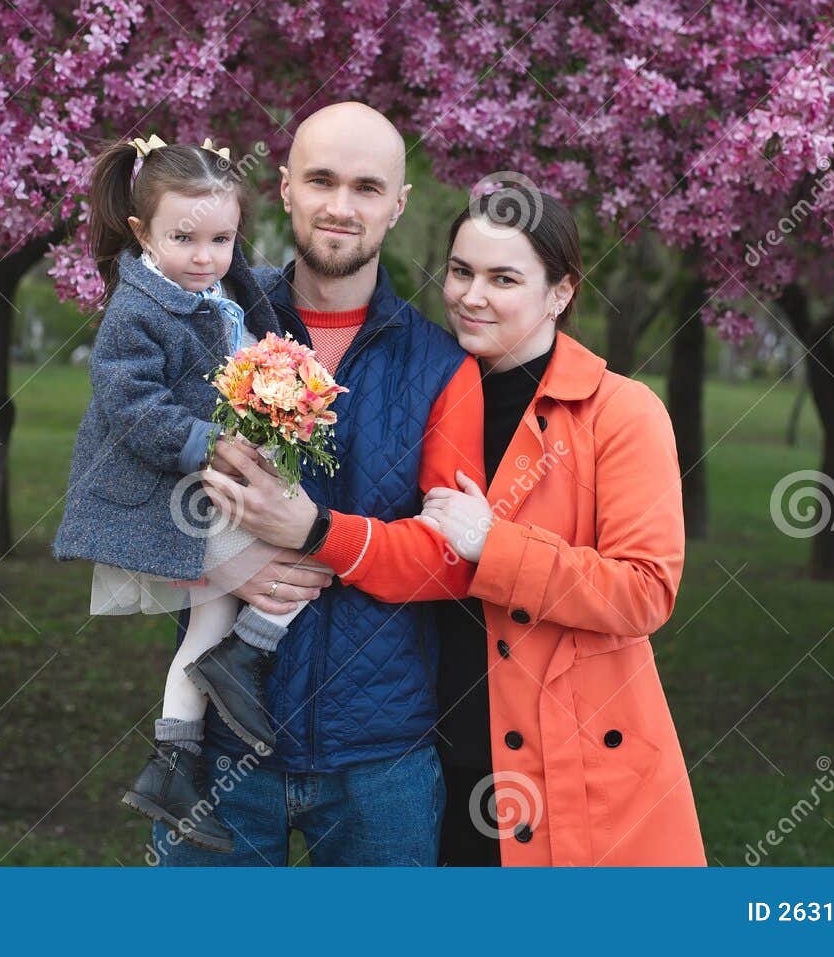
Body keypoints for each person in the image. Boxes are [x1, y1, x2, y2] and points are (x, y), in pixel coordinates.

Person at [151, 101, 487, 866]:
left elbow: (451, 563)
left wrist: (315, 534)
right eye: (322, 181)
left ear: (398, 205)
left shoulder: (442, 368)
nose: (341, 206)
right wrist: (231, 563)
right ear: (285, 188)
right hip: (216, 743)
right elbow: (125, 489)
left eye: (367, 187)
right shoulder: (211, 322)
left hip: (380, 755)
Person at [340, 181, 708, 866]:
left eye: (503, 278)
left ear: (561, 292)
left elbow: (644, 590)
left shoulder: (620, 415)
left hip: (567, 770)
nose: (471, 296)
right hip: (417, 761)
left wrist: (493, 544)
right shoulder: (415, 396)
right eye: (461, 271)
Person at [51, 134, 312, 854]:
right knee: (285, 573)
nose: (205, 255)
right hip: (174, 494)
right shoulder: (137, 312)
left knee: (217, 617)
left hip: (218, 481)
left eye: (221, 237)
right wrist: (208, 441)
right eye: (184, 238)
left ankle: (174, 760)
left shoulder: (229, 287)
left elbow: (268, 341)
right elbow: (131, 406)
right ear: (143, 234)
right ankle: (235, 669)